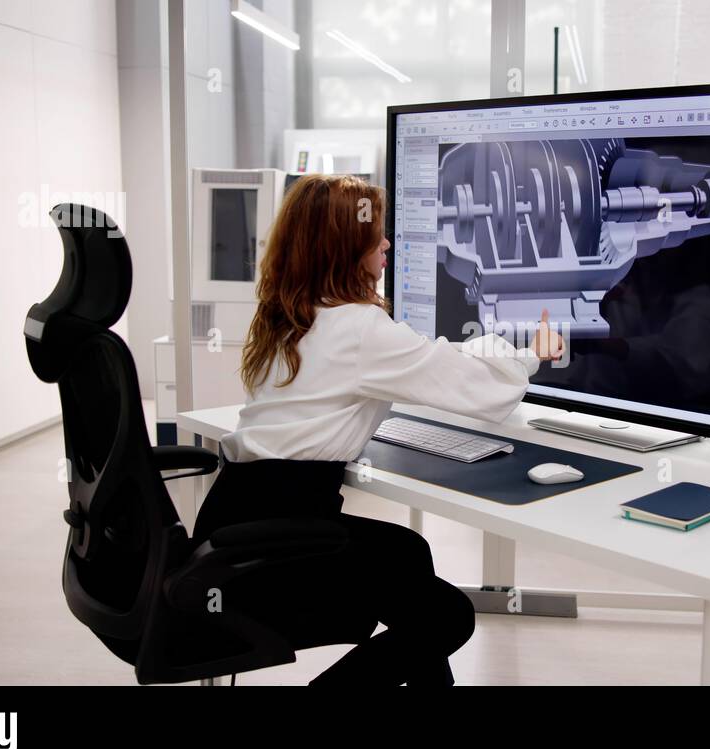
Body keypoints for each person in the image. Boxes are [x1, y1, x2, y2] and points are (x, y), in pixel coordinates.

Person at [193, 174, 564, 685]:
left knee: (409, 552)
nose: (386, 243)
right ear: (343, 247)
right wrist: (531, 356)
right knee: (447, 616)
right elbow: (468, 384)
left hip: (234, 523)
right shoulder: (358, 328)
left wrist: (503, 353)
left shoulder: (289, 314)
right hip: (278, 546)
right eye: (375, 236)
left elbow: (427, 359)